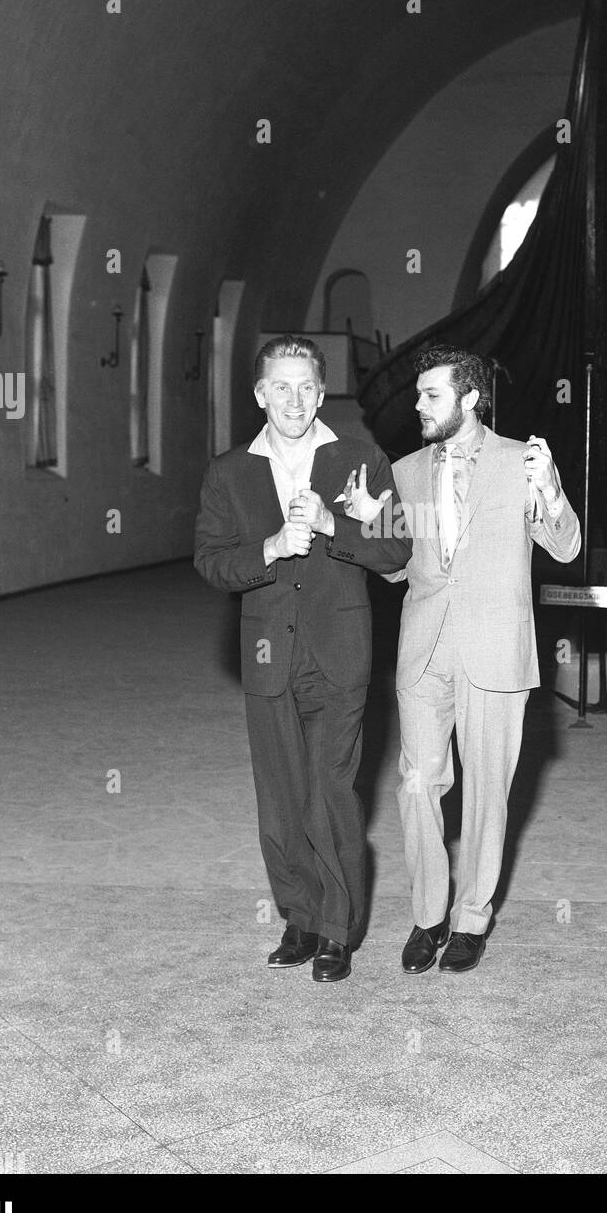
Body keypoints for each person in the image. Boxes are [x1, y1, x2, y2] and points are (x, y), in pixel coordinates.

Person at [194, 336, 410, 983]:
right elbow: (210, 562)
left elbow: (396, 550)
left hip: (339, 654)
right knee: (281, 800)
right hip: (266, 656)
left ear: (322, 393)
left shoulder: (359, 459)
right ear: (260, 394)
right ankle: (300, 917)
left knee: (329, 792)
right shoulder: (228, 471)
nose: (294, 399)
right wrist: (266, 548)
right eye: (280, 387)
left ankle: (339, 930)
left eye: (306, 387)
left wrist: (329, 527)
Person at [381, 346, 580, 974]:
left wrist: (549, 489)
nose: (419, 405)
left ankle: (470, 919)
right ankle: (427, 916)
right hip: (423, 650)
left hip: (494, 649)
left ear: (470, 398)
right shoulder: (405, 470)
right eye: (418, 395)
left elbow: (567, 546)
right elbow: (393, 568)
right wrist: (364, 524)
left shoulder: (519, 460)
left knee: (487, 792)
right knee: (417, 784)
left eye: (431, 395)